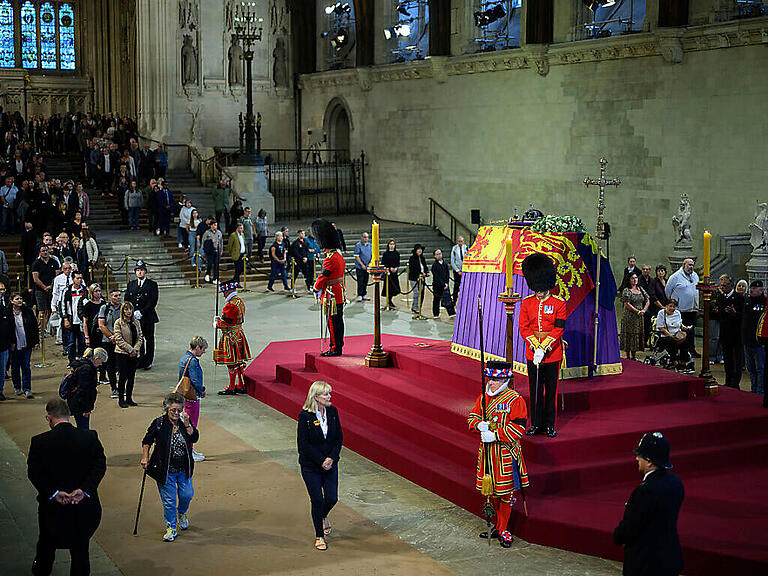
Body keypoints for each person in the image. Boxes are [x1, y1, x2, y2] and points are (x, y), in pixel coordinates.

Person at [27, 398, 107, 576]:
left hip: (52, 510)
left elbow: (34, 473)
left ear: (49, 417)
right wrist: (84, 490)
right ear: (69, 414)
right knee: (80, 551)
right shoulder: (89, 437)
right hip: (84, 508)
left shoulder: (39, 442)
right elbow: (100, 466)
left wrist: (53, 493)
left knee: (46, 548)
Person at [467, 361, 529, 548]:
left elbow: (518, 429)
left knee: (506, 494)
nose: (490, 383)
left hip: (505, 455)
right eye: (490, 379)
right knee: (492, 491)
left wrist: (495, 434)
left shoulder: (515, 400)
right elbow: (473, 416)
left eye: (494, 379)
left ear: (504, 380)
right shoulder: (484, 398)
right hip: (487, 454)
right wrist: (479, 425)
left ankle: (503, 529)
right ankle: (498, 525)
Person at [613, 432, 684, 576]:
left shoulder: (645, 492)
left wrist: (617, 536)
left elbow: (629, 529)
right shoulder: (676, 483)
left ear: (650, 461)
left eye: (640, 455)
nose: (637, 458)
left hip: (646, 565)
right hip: (669, 560)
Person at [519, 253, 567, 438]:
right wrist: (534, 345)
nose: (539, 292)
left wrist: (544, 346)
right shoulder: (527, 303)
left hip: (552, 353)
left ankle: (549, 425)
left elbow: (559, 328)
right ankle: (536, 423)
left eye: (541, 289)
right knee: (535, 389)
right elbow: (524, 327)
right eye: (536, 289)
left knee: (551, 391)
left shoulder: (559, 303)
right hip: (532, 353)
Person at [141, 392, 199, 543]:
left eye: (179, 410)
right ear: (167, 409)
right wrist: (145, 456)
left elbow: (194, 438)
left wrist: (187, 424)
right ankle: (171, 527)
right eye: (173, 410)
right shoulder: (159, 423)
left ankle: (182, 513)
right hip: (165, 470)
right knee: (169, 500)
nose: (176, 413)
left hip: (184, 469)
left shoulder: (183, 421)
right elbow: (147, 440)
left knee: (187, 495)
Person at [297, 381, 343, 551]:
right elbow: (303, 444)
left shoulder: (332, 412)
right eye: (325, 394)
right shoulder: (305, 416)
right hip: (311, 466)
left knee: (331, 498)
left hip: (331, 463)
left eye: (329, 394)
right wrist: (321, 460)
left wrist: (331, 458)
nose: (329, 397)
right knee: (317, 500)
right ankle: (319, 536)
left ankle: (322, 516)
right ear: (315, 397)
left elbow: (338, 437)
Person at [313, 220, 346, 357]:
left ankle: (334, 348)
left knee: (332, 322)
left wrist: (315, 288)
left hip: (331, 294)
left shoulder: (329, 259)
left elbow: (323, 277)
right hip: (338, 291)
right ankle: (339, 345)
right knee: (339, 320)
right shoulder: (338, 256)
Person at [215, 281, 251, 395]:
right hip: (239, 333)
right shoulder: (239, 301)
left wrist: (216, 323)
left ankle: (231, 387)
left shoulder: (230, 305)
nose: (223, 294)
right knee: (239, 362)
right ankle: (241, 384)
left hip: (230, 336)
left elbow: (226, 324)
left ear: (229, 290)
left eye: (224, 292)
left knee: (231, 363)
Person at [124, 260, 158, 370]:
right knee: (139, 339)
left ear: (145, 272)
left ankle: (148, 360)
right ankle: (141, 359)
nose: (140, 273)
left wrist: (142, 312)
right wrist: (131, 312)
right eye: (138, 270)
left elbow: (153, 301)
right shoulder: (131, 284)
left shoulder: (152, 285)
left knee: (149, 339)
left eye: (142, 270)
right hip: (134, 317)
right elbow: (127, 300)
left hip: (147, 317)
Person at [179, 337, 208, 462]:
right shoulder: (193, 362)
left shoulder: (184, 358)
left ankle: (189, 449)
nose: (204, 352)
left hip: (184, 396)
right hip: (191, 397)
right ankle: (189, 451)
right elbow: (195, 380)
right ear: (197, 347)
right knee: (191, 425)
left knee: (186, 423)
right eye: (203, 349)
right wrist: (202, 390)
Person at [665, 258, 700, 359]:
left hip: (692, 309)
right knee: (680, 331)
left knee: (691, 331)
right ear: (684, 265)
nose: (691, 267)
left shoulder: (695, 276)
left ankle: (691, 350)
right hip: (680, 310)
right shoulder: (675, 277)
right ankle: (681, 352)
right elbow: (667, 291)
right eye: (689, 265)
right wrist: (675, 304)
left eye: (692, 265)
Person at [713, 274, 743, 389]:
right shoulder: (721, 298)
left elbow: (743, 316)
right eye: (721, 286)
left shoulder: (739, 298)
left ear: (731, 286)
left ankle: (735, 383)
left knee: (737, 361)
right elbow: (719, 314)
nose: (723, 288)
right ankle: (728, 380)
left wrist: (734, 313)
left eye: (725, 285)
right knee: (728, 360)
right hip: (725, 333)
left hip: (736, 334)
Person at [66, 348, 108, 430]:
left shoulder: (82, 364)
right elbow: (83, 391)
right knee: (83, 429)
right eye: (101, 362)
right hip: (81, 406)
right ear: (96, 359)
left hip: (77, 402)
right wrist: (86, 409)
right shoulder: (87, 370)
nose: (101, 364)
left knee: (82, 427)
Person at [10, 291, 40, 398]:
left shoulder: (28, 312)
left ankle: (27, 389)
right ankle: (17, 387)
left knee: (26, 366)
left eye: (21, 299)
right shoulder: (8, 313)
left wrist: (36, 341)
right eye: (17, 299)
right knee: (15, 367)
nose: (20, 301)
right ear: (11, 301)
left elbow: (34, 328)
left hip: (26, 344)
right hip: (14, 345)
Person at [113, 301, 143, 408]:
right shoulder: (118, 323)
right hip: (122, 354)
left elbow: (140, 337)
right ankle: (121, 399)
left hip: (134, 354)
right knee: (123, 377)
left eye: (130, 309)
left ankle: (129, 398)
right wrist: (130, 350)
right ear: (122, 311)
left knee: (131, 377)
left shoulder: (136, 322)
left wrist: (135, 350)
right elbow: (118, 339)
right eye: (126, 309)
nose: (129, 311)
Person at [742, 280, 766, 395]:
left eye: (754, 288)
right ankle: (753, 390)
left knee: (760, 369)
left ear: (761, 290)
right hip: (747, 340)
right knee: (751, 369)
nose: (751, 290)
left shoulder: (765, 303)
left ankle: (760, 392)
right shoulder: (747, 301)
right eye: (750, 288)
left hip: (759, 342)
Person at [656, 299, 692, 372]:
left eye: (674, 306)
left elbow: (680, 324)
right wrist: (671, 336)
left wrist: (685, 328)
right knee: (671, 342)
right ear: (666, 306)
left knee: (686, 341)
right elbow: (661, 328)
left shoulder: (677, 313)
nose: (672, 308)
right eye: (670, 306)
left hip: (677, 334)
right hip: (666, 335)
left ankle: (683, 363)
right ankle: (676, 363)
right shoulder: (661, 313)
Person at [59, 271, 87, 363]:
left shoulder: (85, 291)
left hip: (82, 321)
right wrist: (65, 318)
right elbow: (62, 305)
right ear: (72, 279)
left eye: (81, 278)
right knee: (71, 342)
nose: (80, 280)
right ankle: (71, 361)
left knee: (82, 342)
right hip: (71, 320)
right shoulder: (67, 291)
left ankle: (83, 360)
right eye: (77, 278)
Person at [97, 289, 121, 399]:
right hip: (108, 341)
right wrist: (111, 336)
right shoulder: (104, 308)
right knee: (111, 366)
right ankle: (114, 388)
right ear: (110, 297)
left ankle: (121, 387)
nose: (118, 297)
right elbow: (101, 325)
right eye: (115, 296)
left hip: (122, 342)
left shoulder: (123, 308)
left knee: (122, 366)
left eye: (120, 295)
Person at [620, 273, 649, 361]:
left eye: (636, 278)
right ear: (629, 279)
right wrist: (637, 311)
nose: (635, 280)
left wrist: (644, 310)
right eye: (632, 278)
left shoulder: (641, 289)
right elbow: (626, 303)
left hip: (639, 317)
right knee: (629, 335)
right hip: (629, 316)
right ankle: (628, 356)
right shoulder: (626, 290)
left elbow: (647, 300)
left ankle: (634, 356)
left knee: (636, 334)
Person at [31, 244, 57, 326]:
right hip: (40, 290)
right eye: (43, 251)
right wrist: (44, 287)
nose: (45, 252)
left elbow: (57, 276)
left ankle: (45, 327)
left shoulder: (54, 262)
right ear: (39, 252)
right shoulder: (36, 263)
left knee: (50, 309)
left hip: (52, 289)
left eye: (46, 250)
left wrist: (51, 286)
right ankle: (39, 327)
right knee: (41, 310)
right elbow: (35, 278)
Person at [431, 248, 455, 318]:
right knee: (436, 300)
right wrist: (443, 284)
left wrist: (446, 283)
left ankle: (451, 313)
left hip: (445, 284)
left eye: (440, 253)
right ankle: (436, 314)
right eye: (437, 254)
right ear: (435, 256)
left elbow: (447, 274)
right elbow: (436, 276)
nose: (439, 255)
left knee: (448, 298)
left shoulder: (445, 263)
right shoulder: (434, 265)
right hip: (437, 285)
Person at [408, 244, 429, 318]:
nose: (420, 251)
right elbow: (413, 269)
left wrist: (427, 272)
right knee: (416, 292)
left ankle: (417, 306)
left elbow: (425, 266)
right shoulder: (412, 259)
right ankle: (415, 307)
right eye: (418, 249)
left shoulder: (422, 258)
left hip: (421, 278)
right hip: (414, 278)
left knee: (421, 293)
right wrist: (421, 273)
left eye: (421, 249)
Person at [381, 239, 401, 309]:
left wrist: (396, 268)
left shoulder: (397, 253)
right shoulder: (386, 254)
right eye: (390, 244)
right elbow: (383, 263)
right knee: (388, 288)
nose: (392, 246)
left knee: (394, 288)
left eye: (393, 244)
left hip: (394, 273)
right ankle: (389, 301)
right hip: (388, 273)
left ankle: (390, 300)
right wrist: (389, 268)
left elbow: (398, 262)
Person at [202, 220, 223, 284]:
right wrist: (210, 242)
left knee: (216, 265)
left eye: (216, 225)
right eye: (214, 225)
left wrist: (221, 250)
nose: (215, 226)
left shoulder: (219, 232)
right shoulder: (207, 232)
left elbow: (221, 242)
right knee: (210, 263)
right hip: (210, 250)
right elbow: (204, 241)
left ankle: (215, 278)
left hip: (217, 250)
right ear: (211, 225)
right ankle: (207, 274)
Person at [0, 282, 11, 401]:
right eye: (0, 289)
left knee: (2, 370)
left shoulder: (5, 306)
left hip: (4, 345)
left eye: (3, 289)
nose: (2, 291)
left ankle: (0, 391)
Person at [353, 232, 372, 302]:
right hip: (360, 267)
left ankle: (364, 294)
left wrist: (370, 264)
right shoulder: (358, 245)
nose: (365, 239)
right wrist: (362, 265)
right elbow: (356, 256)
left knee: (365, 281)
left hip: (367, 267)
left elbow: (372, 255)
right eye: (364, 237)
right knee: (360, 281)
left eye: (366, 237)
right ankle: (360, 294)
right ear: (361, 237)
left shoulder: (370, 245)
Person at [451, 236, 467, 303]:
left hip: (464, 270)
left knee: (464, 286)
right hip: (457, 270)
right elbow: (452, 261)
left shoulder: (466, 248)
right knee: (456, 286)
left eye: (462, 241)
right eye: (459, 241)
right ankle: (454, 300)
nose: (460, 243)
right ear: (457, 241)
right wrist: (457, 270)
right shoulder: (454, 248)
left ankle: (464, 300)